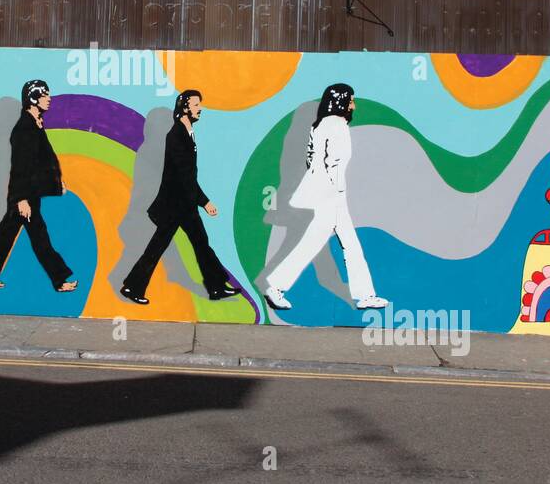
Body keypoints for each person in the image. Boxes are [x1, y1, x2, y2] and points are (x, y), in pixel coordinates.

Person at [260, 83, 387, 313]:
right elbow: (334, 163)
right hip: (332, 195)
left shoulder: (318, 125)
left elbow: (312, 159)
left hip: (326, 193)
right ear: (341, 102)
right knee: (317, 244)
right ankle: (276, 286)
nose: (353, 105)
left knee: (347, 244)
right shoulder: (338, 126)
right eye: (350, 100)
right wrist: (336, 192)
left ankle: (366, 295)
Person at [119, 89, 242, 305]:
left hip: (183, 204)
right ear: (185, 107)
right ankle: (132, 286)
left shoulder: (187, 131)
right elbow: (184, 175)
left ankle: (216, 287)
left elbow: (187, 175)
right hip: (174, 205)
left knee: (201, 244)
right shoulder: (176, 135)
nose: (200, 108)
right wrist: (205, 201)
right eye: (196, 105)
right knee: (158, 246)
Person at [0, 80, 78, 292]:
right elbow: (21, 166)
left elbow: (42, 160)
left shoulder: (34, 123)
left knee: (7, 234)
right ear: (32, 99)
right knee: (40, 239)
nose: (49, 99)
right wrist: (21, 199)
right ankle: (59, 280)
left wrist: (57, 181)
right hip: (25, 195)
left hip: (29, 193)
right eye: (44, 95)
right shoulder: (25, 128)